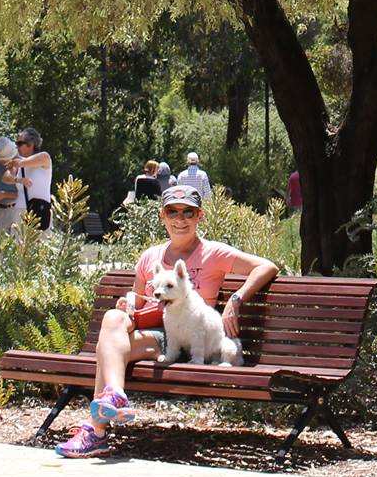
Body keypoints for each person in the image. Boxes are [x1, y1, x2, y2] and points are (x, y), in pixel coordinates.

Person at [51, 184, 279, 460]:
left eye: (188, 212)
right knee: (113, 319)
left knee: (106, 348)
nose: (180, 219)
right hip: (156, 336)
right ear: (163, 216)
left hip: (191, 340)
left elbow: (266, 266)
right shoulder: (150, 257)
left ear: (199, 216)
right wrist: (127, 307)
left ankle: (96, 432)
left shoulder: (214, 253)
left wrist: (237, 299)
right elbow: (138, 304)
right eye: (172, 211)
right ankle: (115, 397)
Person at [10, 127, 53, 230]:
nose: (17, 147)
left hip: (39, 212)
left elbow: (44, 157)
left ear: (31, 144)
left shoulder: (43, 157)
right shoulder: (19, 165)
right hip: (20, 212)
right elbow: (6, 177)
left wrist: (19, 163)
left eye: (20, 144)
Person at [0, 136, 24, 238]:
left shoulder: (23, 164)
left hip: (16, 212)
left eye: (4, 159)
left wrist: (4, 195)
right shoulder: (0, 159)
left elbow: (25, 195)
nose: (1, 162)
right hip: (0, 210)